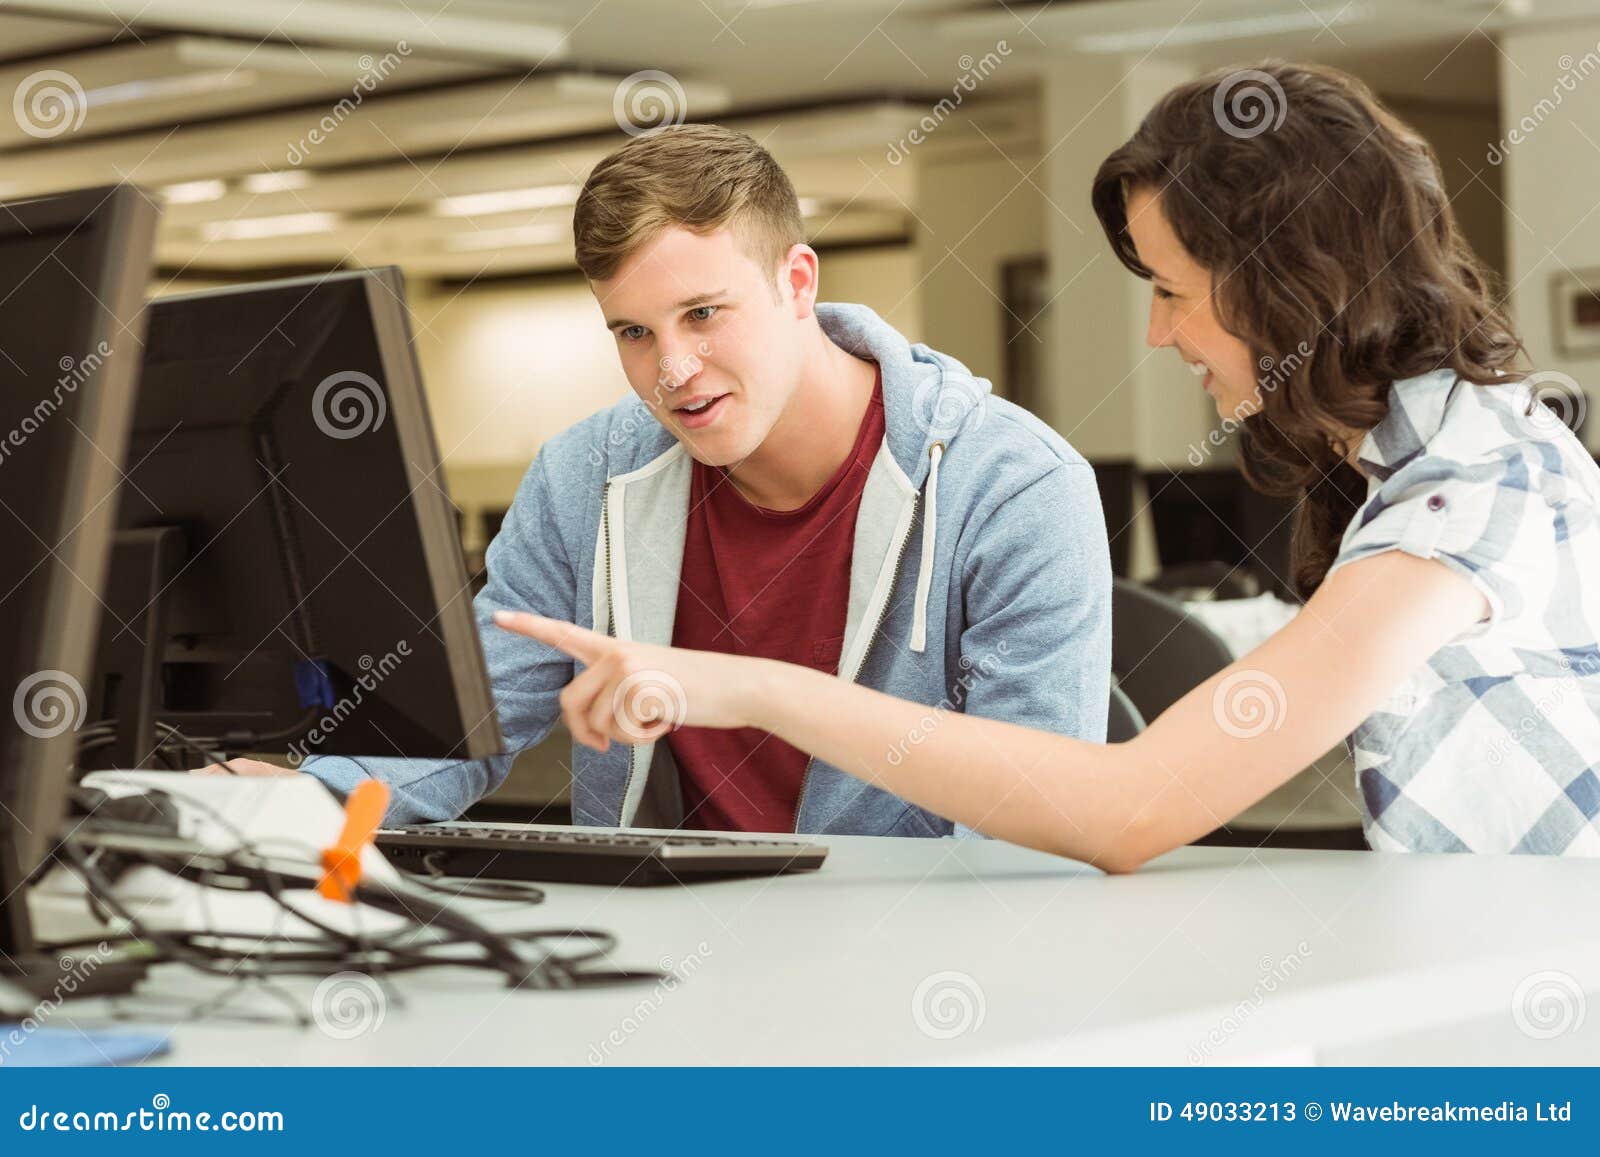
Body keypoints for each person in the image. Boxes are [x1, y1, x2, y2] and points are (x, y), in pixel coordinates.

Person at [498, 62, 1600, 864]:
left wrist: (743, 686)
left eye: (1171, 291)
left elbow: (1128, 808)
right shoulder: (1434, 462)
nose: (1160, 336)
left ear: (1291, 285)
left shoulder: (1462, 500)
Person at [211, 123, 1112, 835]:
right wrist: (308, 800)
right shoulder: (586, 476)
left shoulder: (1014, 489)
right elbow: (469, 721)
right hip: (666, 942)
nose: (672, 369)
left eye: (703, 314)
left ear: (798, 282)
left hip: (916, 969)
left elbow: (1038, 815)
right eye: (633, 333)